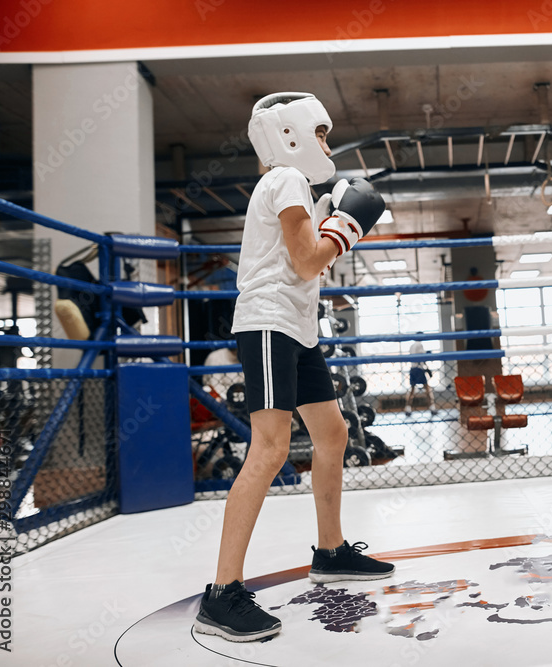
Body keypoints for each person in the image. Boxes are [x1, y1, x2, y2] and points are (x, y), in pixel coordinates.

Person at [194, 92, 393, 643]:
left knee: (333, 432)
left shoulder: (299, 188)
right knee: (271, 446)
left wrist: (332, 221)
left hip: (296, 327)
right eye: (321, 133)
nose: (325, 144)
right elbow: (308, 259)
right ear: (288, 136)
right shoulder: (283, 180)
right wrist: (344, 229)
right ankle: (222, 593)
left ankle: (330, 551)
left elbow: (304, 262)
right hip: (267, 322)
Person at [404, 335, 437, 416]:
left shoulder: (412, 346)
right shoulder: (419, 345)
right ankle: (432, 408)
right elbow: (422, 357)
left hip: (413, 369)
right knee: (427, 389)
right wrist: (428, 354)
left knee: (412, 390)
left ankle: (408, 409)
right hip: (419, 369)